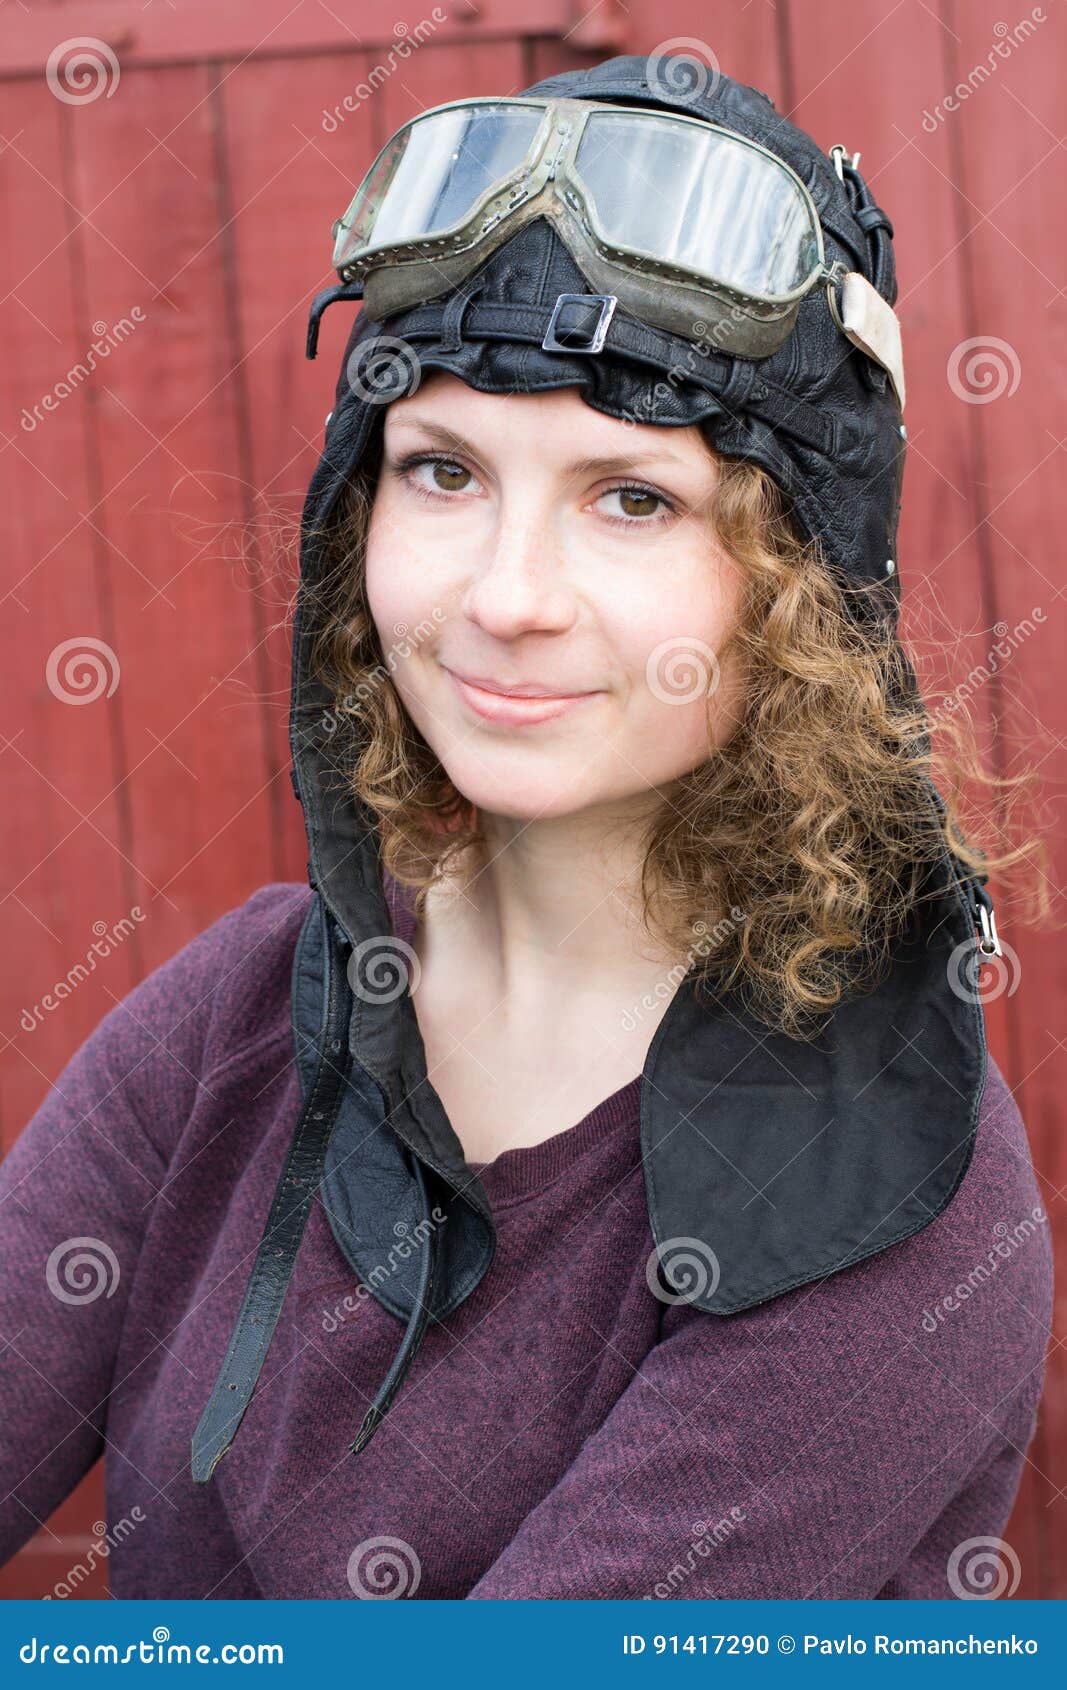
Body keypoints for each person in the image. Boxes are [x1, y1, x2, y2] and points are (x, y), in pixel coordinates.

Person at [0, 52, 1054, 1602]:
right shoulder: (240, 1011)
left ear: (799, 590)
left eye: (631, 498)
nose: (504, 595)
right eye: (443, 471)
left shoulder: (882, 1194)